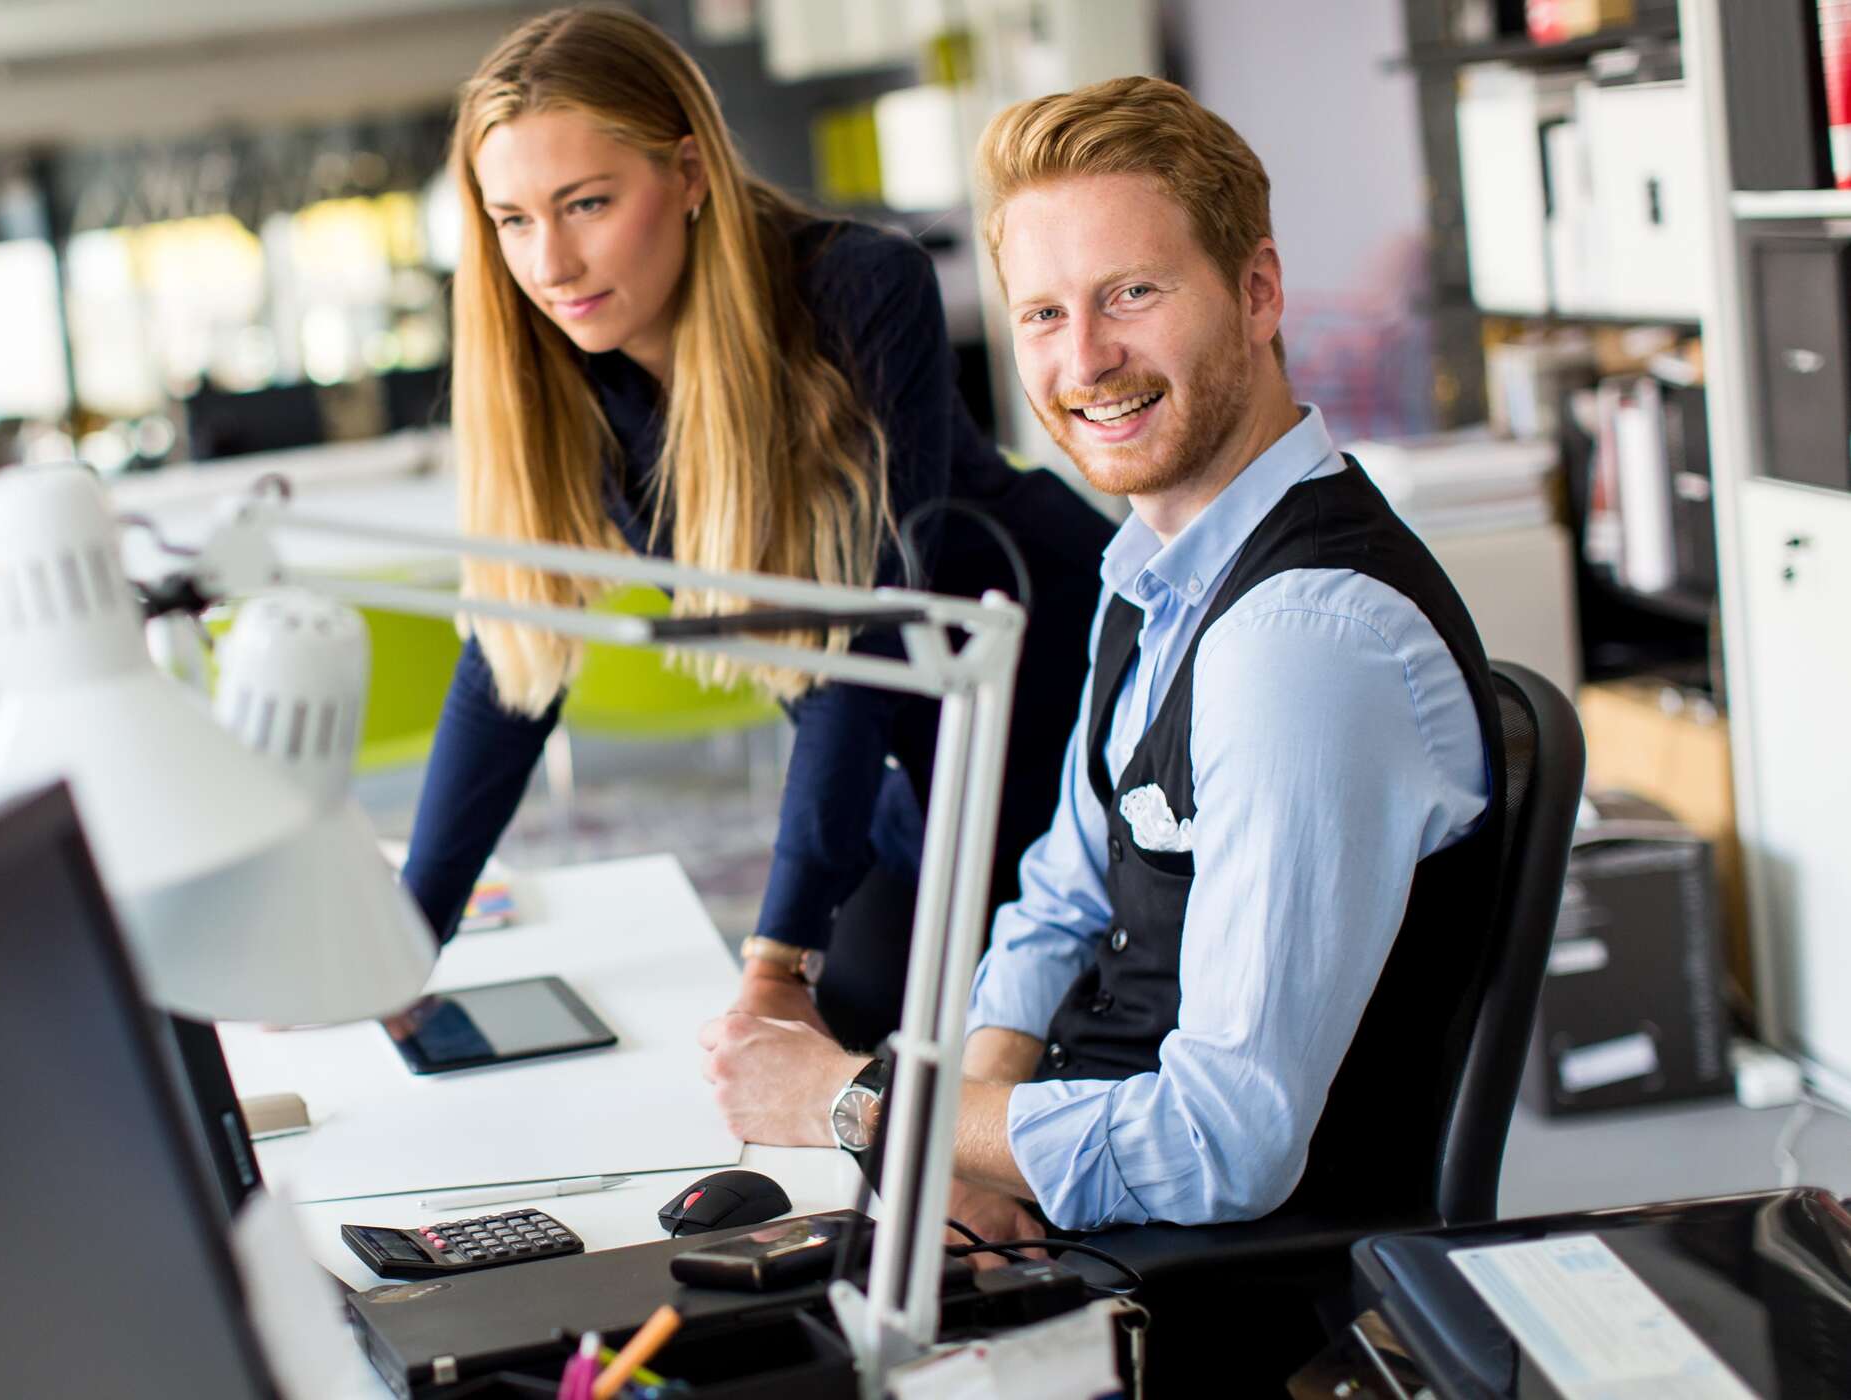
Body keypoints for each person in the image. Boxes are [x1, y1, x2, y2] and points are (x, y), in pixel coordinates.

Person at [699, 74, 1503, 1267]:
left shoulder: (1300, 641)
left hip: (1220, 1282)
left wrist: (857, 1102)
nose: (1085, 359)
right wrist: (962, 1162)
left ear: (1258, 292)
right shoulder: (1152, 575)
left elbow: (1224, 1145)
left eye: (1132, 292)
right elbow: (1061, 899)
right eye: (1042, 313)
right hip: (1080, 1198)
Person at [399, 7, 1111, 1050]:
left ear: (689, 172)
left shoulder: (860, 290)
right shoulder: (565, 378)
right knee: (842, 1043)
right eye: (512, 220)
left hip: (1081, 717)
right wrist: (402, 939)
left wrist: (779, 954)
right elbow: (509, 657)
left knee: (945, 1056)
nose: (550, 263)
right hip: (914, 774)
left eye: (586, 203)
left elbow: (864, 638)